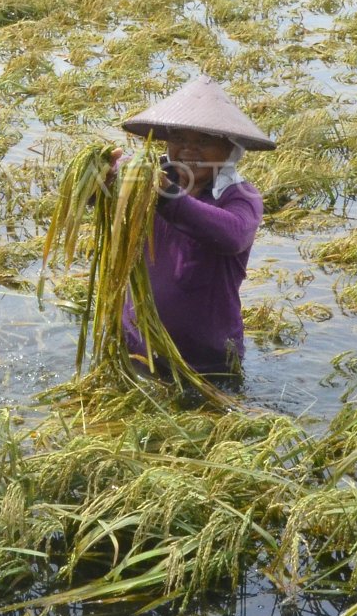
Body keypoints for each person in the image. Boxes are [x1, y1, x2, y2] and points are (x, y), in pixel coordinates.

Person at [110, 76, 275, 391]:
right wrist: (101, 181)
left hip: (206, 361)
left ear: (230, 148)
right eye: (179, 138)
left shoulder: (240, 196)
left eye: (204, 140)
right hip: (137, 348)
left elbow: (232, 236)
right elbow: (104, 202)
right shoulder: (144, 178)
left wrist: (167, 196)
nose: (189, 149)